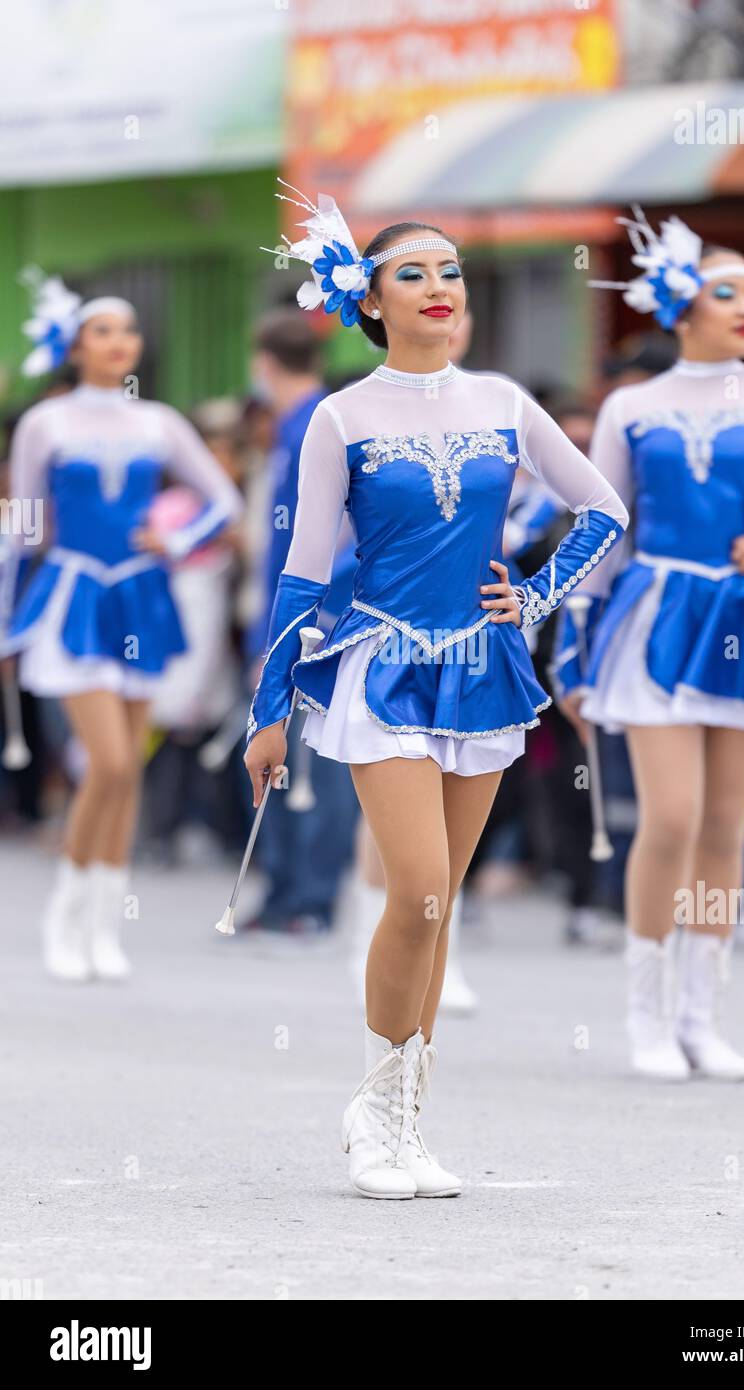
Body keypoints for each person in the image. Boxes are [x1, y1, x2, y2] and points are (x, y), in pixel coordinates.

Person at [244, 186, 629, 1200]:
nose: (438, 287)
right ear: (368, 302)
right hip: (381, 667)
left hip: (483, 667)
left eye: (450, 271)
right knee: (415, 883)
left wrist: (535, 596)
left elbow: (603, 508)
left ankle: (411, 1121)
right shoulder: (340, 416)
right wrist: (269, 712)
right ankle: (372, 1112)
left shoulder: (504, 401)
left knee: (441, 899)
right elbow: (302, 570)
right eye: (412, 273)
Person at [552, 209, 744, 1082]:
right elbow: (602, 527)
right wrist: (570, 646)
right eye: (725, 291)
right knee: (673, 819)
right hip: (653, 618)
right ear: (677, 305)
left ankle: (700, 1015)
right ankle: (644, 1014)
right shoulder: (632, 404)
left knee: (727, 826)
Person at [0, 270, 243, 981]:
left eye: (129, 331)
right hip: (75, 597)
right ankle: (64, 915)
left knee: (127, 769)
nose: (119, 343)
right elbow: (24, 524)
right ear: (74, 344)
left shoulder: (158, 422)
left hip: (142, 596)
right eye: (103, 331)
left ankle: (105, 926)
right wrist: (9, 616)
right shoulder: (48, 422)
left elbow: (222, 500)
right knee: (106, 762)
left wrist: (174, 540)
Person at [242, 308, 358, 931]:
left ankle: (306, 897)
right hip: (304, 613)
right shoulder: (304, 421)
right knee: (289, 759)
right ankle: (290, 893)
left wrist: (284, 631)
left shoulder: (311, 426)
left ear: (263, 363)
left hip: (308, 620)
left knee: (310, 763)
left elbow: (322, 541)